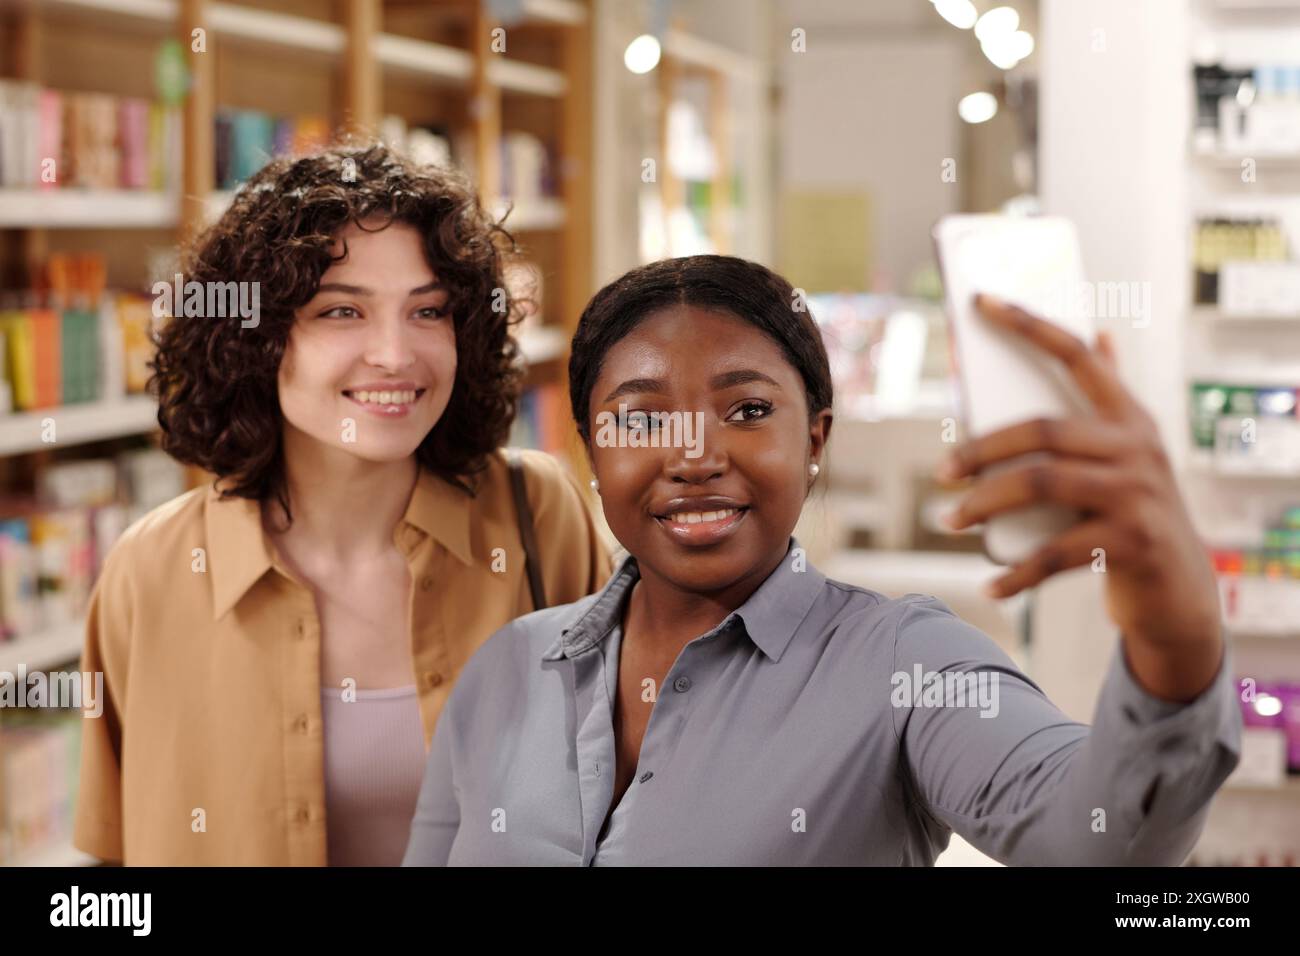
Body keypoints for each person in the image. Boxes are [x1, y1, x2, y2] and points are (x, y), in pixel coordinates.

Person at [403, 254, 1240, 866]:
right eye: (643, 419)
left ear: (815, 438)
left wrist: (1177, 631)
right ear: (591, 449)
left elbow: (1095, 841)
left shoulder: (906, 663)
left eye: (748, 409)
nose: (693, 457)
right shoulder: (508, 668)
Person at [74, 144, 610, 866]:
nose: (394, 353)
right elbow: (111, 863)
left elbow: (629, 796)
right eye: (342, 310)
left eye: (428, 310)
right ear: (258, 339)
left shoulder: (537, 514)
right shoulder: (151, 571)